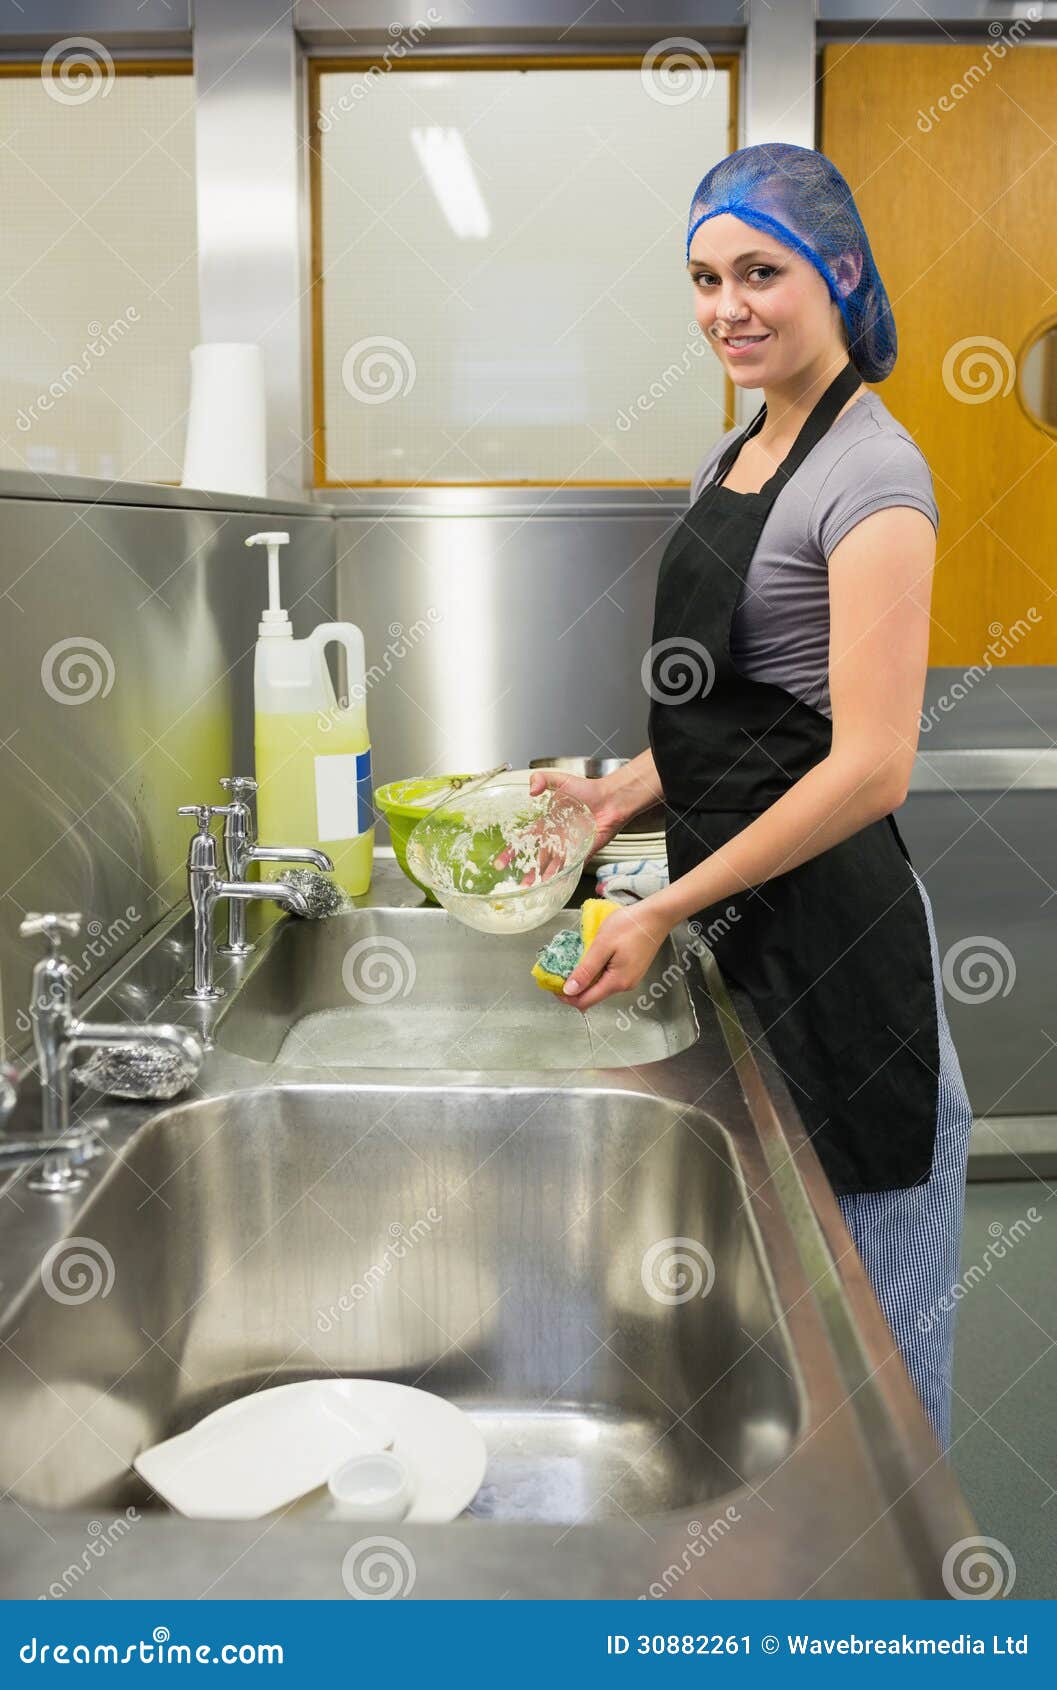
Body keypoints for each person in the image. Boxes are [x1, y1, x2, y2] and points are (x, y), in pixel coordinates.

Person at [530, 142, 974, 1453]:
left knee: (879, 1371)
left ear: (838, 275)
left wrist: (661, 901)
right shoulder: (734, 452)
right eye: (704, 276)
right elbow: (747, 715)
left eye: (760, 272)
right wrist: (622, 793)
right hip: (751, 945)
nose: (727, 305)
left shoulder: (872, 479)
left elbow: (866, 761)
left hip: (839, 957)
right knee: (782, 1346)